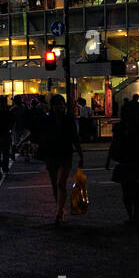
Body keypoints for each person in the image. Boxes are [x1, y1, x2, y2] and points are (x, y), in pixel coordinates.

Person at [38, 94, 83, 225]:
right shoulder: (47, 119)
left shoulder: (68, 119)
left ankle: (59, 211)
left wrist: (80, 153)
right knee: (54, 183)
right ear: (52, 106)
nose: (59, 107)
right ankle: (60, 208)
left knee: (60, 183)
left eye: (61, 104)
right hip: (51, 153)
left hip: (65, 153)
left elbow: (74, 137)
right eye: (56, 105)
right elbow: (41, 136)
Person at [106, 101, 139, 224]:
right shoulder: (121, 127)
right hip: (127, 161)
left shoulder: (137, 127)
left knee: (132, 190)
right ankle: (132, 215)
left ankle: (133, 215)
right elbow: (114, 144)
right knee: (128, 190)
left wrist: (109, 160)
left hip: (133, 161)